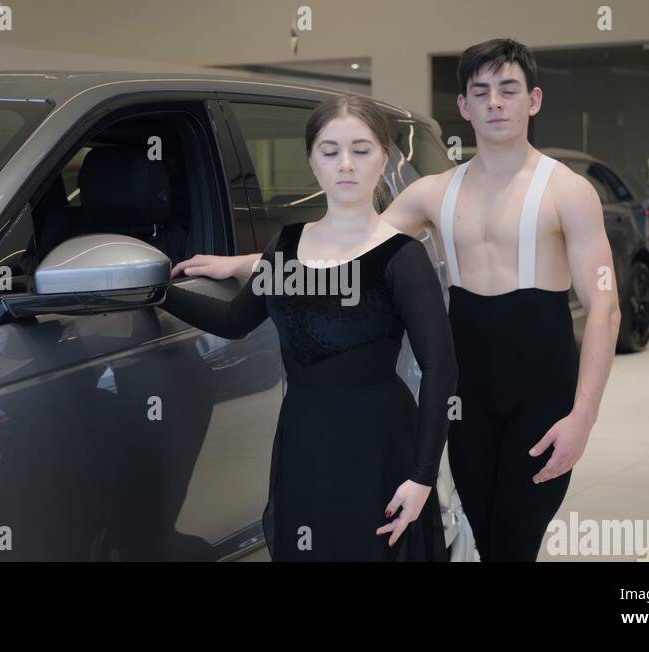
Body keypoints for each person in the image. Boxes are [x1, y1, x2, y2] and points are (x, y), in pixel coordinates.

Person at [172, 39, 621, 562]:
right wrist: (243, 263)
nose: (495, 103)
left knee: (517, 536)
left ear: (533, 100)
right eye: (481, 92)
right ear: (464, 107)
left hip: (541, 381)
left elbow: (604, 307)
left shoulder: (568, 191)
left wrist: (583, 416)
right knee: (482, 527)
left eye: (508, 90)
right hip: (469, 382)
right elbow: (347, 246)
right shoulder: (435, 192)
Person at [160, 94, 458, 561]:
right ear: (312, 162)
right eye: (329, 150)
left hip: (378, 446)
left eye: (361, 150)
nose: (345, 164)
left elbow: (440, 369)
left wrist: (422, 477)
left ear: (382, 158)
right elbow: (235, 321)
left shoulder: (404, 257)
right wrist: (158, 292)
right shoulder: (286, 244)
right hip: (304, 442)